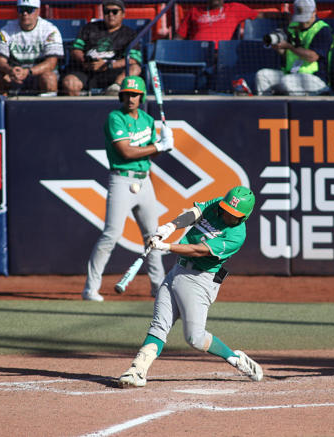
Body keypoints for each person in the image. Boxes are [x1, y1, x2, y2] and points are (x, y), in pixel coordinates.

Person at [118, 186, 263, 388]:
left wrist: (167, 247)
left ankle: (235, 358)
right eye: (226, 209)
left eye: (233, 214)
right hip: (177, 271)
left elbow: (198, 250)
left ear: (243, 217)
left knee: (195, 338)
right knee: (159, 325)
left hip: (199, 281)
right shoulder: (219, 204)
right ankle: (137, 370)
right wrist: (170, 227)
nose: (227, 214)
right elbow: (195, 213)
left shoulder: (236, 235)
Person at [82, 75, 173, 302]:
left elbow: (152, 151)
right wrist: (157, 146)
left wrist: (166, 145)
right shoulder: (115, 118)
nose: (130, 98)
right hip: (121, 179)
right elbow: (126, 152)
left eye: (134, 94)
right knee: (111, 235)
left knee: (154, 238)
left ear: (141, 97)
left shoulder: (147, 119)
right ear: (121, 96)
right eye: (126, 94)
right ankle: (91, 289)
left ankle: (158, 288)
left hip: (145, 181)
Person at [61, 0, 142, 96]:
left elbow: (133, 59)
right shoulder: (89, 28)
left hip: (113, 71)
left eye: (115, 11)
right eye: (107, 12)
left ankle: (115, 88)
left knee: (135, 68)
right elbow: (75, 50)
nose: (111, 15)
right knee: (69, 82)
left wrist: (108, 65)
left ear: (123, 14)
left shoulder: (130, 34)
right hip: (87, 69)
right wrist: (85, 61)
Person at [254, 0, 334, 96]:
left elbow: (312, 57)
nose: (302, 21)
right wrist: (279, 47)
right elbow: (286, 53)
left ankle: (299, 109)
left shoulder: (323, 30)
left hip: (315, 79)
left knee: (288, 81)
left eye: (305, 17)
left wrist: (289, 47)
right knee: (262, 75)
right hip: (290, 74)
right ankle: (267, 107)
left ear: (315, 11)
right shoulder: (293, 27)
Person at [0, 0, 63, 95]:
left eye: (29, 10)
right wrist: (10, 70)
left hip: (37, 73)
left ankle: (49, 109)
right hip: (14, 73)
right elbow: (0, 61)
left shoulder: (50, 30)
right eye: (21, 10)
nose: (25, 14)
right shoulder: (6, 30)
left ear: (38, 11)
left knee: (49, 78)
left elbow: (51, 63)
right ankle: (2, 107)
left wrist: (28, 72)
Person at [175, 0, 260, 49]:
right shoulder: (194, 11)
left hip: (220, 54)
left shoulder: (234, 8)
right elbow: (179, 37)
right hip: (196, 52)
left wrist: (273, 15)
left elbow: (260, 15)